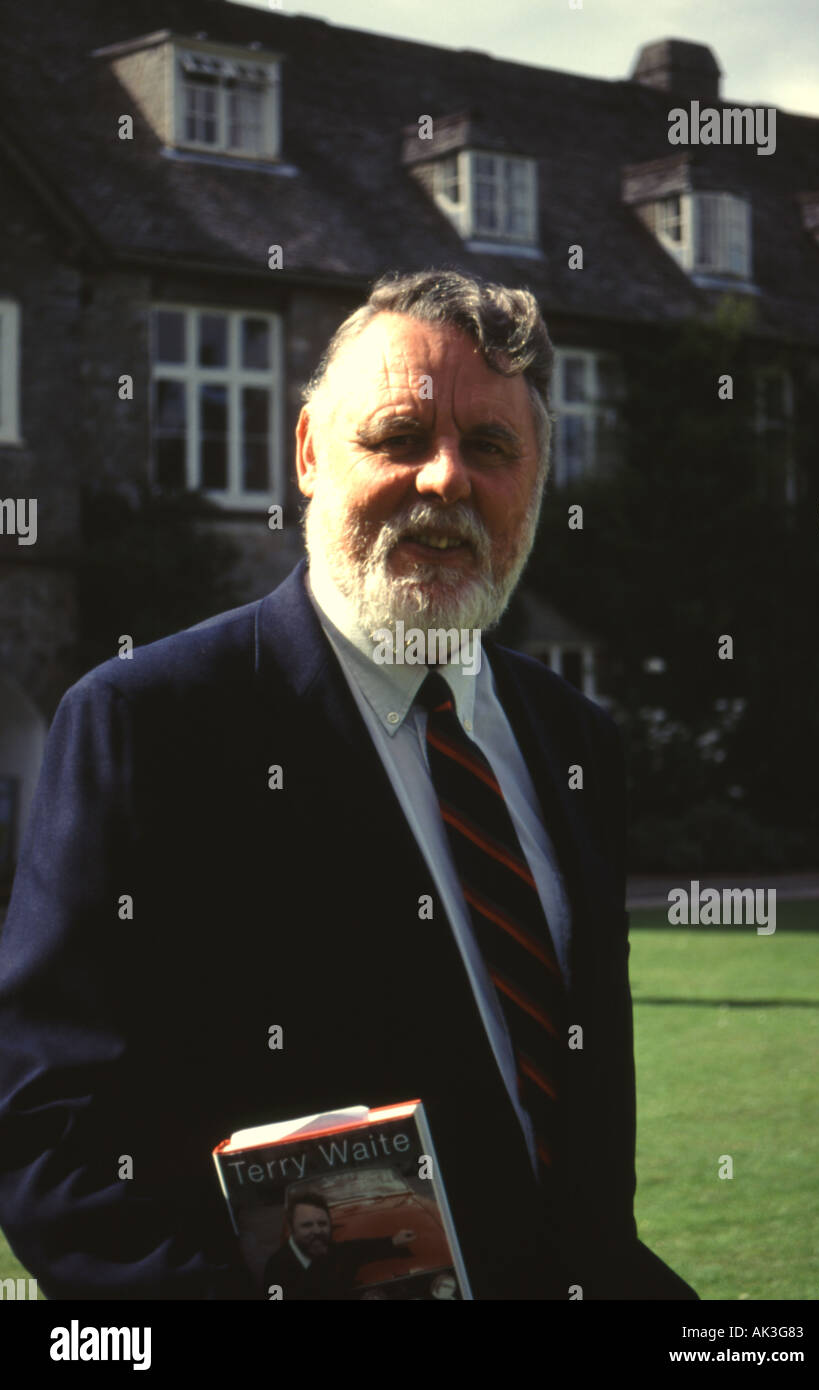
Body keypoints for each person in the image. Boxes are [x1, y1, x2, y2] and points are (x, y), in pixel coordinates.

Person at [0, 269, 697, 1301]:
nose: (444, 480)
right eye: (399, 437)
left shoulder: (574, 739)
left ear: (538, 479)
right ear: (309, 453)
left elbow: (574, 1151)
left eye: (491, 448)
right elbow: (54, 1140)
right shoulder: (150, 724)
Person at [263, 1191, 414, 1299]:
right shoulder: (276, 1269)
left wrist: (392, 1241)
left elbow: (359, 1249)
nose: (317, 1230)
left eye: (322, 1224)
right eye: (307, 1225)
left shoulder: (331, 1251)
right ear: (291, 1229)